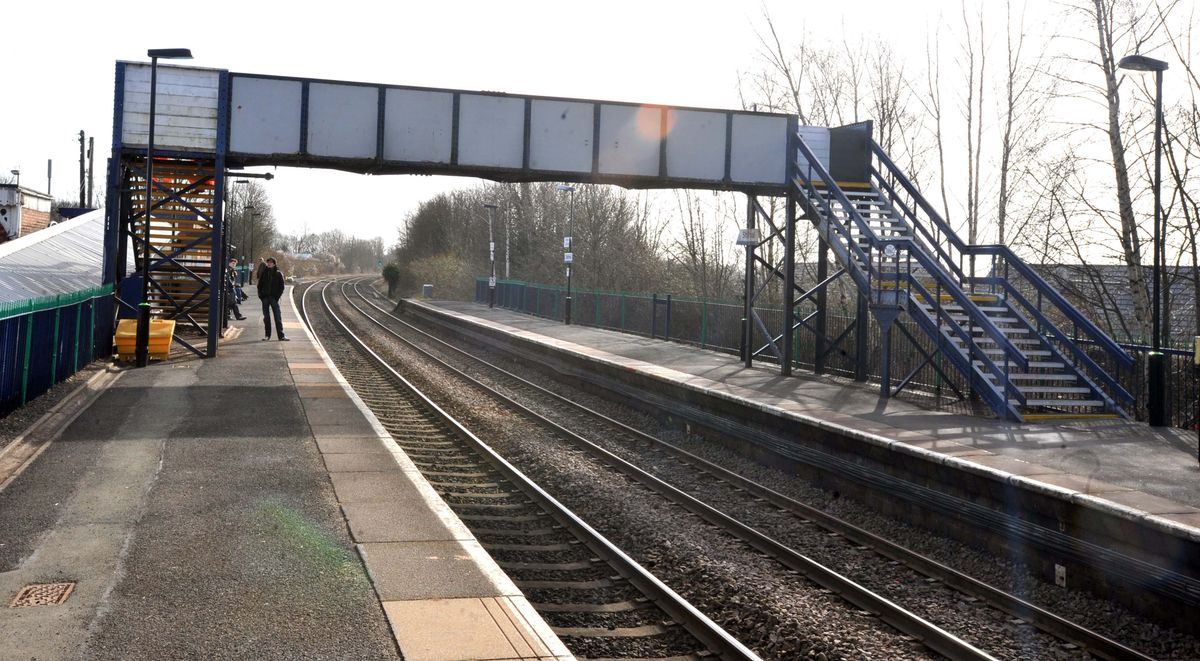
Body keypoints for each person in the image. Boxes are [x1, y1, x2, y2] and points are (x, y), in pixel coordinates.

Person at [257, 257, 289, 341]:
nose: (269, 264)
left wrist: (277, 297)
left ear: (274, 264)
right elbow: (259, 285)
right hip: (265, 298)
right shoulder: (264, 273)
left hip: (274, 298)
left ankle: (281, 336)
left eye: (271, 262)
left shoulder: (278, 274)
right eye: (268, 262)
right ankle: (267, 335)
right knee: (266, 317)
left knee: (277, 317)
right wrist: (261, 295)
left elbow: (281, 287)